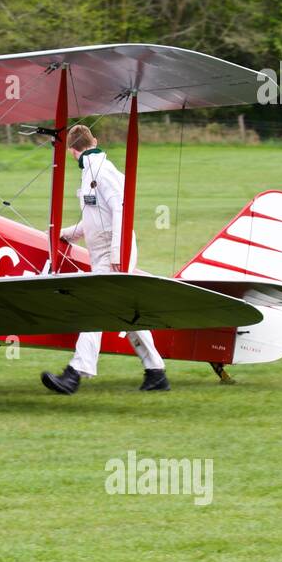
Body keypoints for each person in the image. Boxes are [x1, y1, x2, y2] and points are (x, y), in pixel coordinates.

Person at [41, 124, 170, 394]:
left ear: (72, 152)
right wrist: (65, 234)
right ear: (94, 141)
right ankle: (156, 371)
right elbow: (95, 217)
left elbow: (120, 209)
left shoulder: (102, 172)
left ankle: (74, 373)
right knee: (126, 313)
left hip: (114, 253)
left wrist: (116, 254)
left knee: (95, 308)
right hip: (104, 252)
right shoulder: (91, 171)